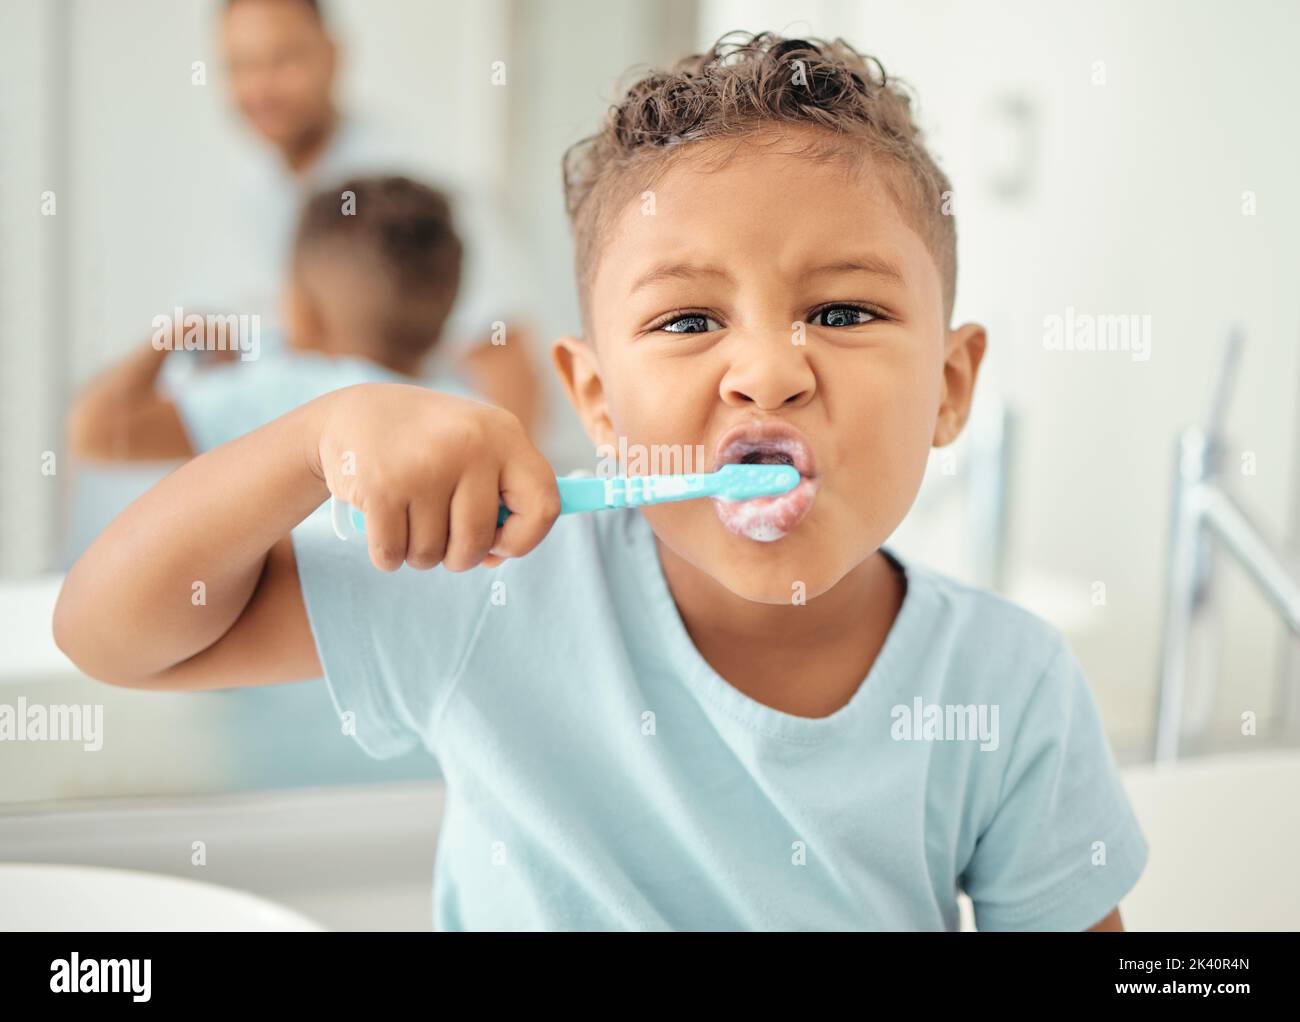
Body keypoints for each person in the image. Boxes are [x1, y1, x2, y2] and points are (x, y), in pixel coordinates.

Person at [55, 32, 1147, 931]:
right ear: (595, 403)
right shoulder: (496, 584)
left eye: (843, 311)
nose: (767, 371)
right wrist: (313, 438)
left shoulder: (1007, 685)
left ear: (951, 386)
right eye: (686, 321)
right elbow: (108, 631)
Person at [204, 0, 540, 433]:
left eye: (282, 60)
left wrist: (500, 490)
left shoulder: (412, 184)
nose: (260, 88)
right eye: (240, 65)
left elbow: (503, 353)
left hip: (435, 466)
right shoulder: (259, 192)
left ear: (333, 56)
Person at [68, 175, 469, 461]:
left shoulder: (281, 395)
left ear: (303, 311)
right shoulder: (464, 409)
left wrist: (176, 333)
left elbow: (93, 431)